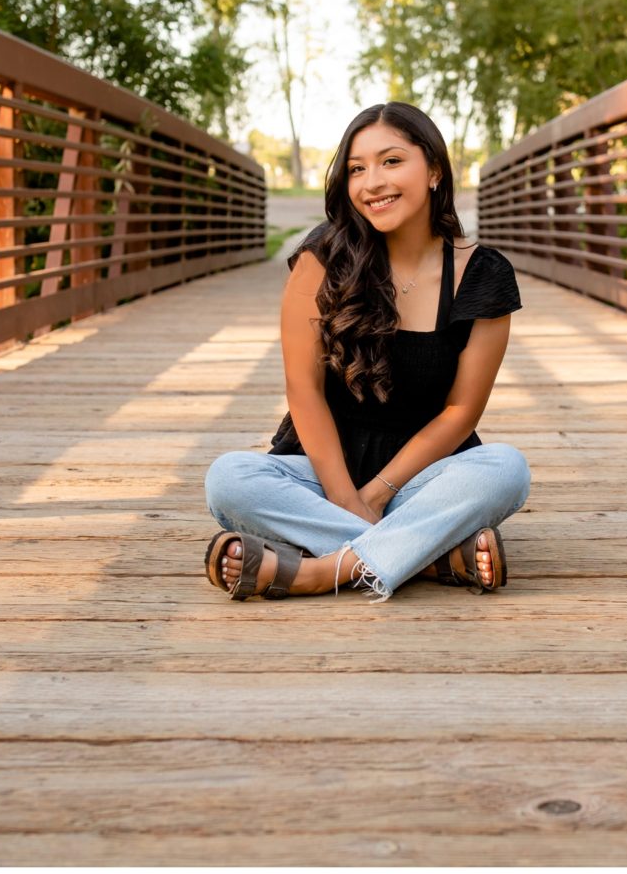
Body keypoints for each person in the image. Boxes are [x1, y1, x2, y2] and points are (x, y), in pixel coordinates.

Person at [202, 100, 531, 603]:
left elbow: (461, 412)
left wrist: (376, 494)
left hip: (423, 475)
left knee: (506, 469)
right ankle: (433, 556)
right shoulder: (323, 257)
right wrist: (346, 499)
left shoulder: (483, 274)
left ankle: (319, 571)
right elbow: (303, 391)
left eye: (392, 161)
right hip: (321, 465)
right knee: (229, 479)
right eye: (357, 169)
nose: (372, 182)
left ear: (435, 169)